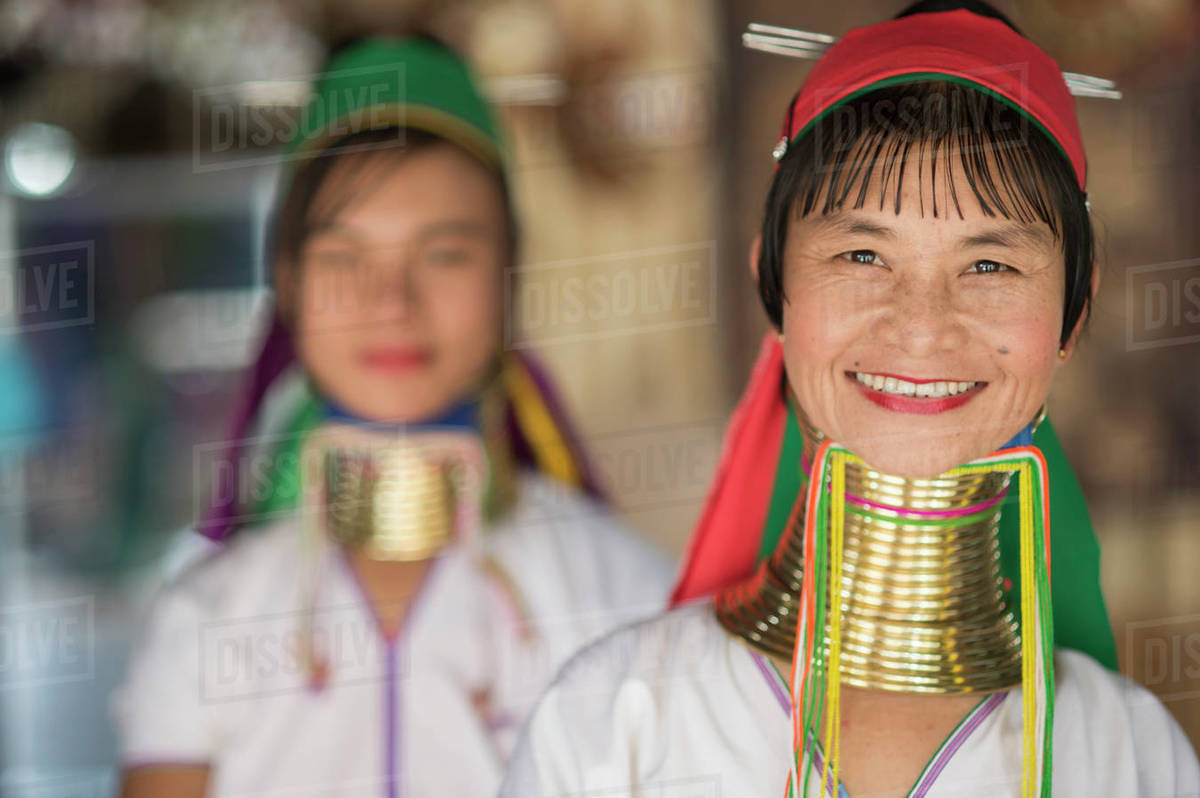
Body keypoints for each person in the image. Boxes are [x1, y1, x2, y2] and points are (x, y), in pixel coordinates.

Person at [499, 4, 1200, 797]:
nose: (922, 326)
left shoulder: (1129, 752)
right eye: (863, 253)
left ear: (1075, 309)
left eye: (991, 266)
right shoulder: (616, 721)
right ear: (774, 281)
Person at [112, 36, 673, 798]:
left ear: (512, 275)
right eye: (345, 259)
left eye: (444, 254)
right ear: (288, 284)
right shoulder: (203, 622)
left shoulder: (629, 599)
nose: (392, 303)